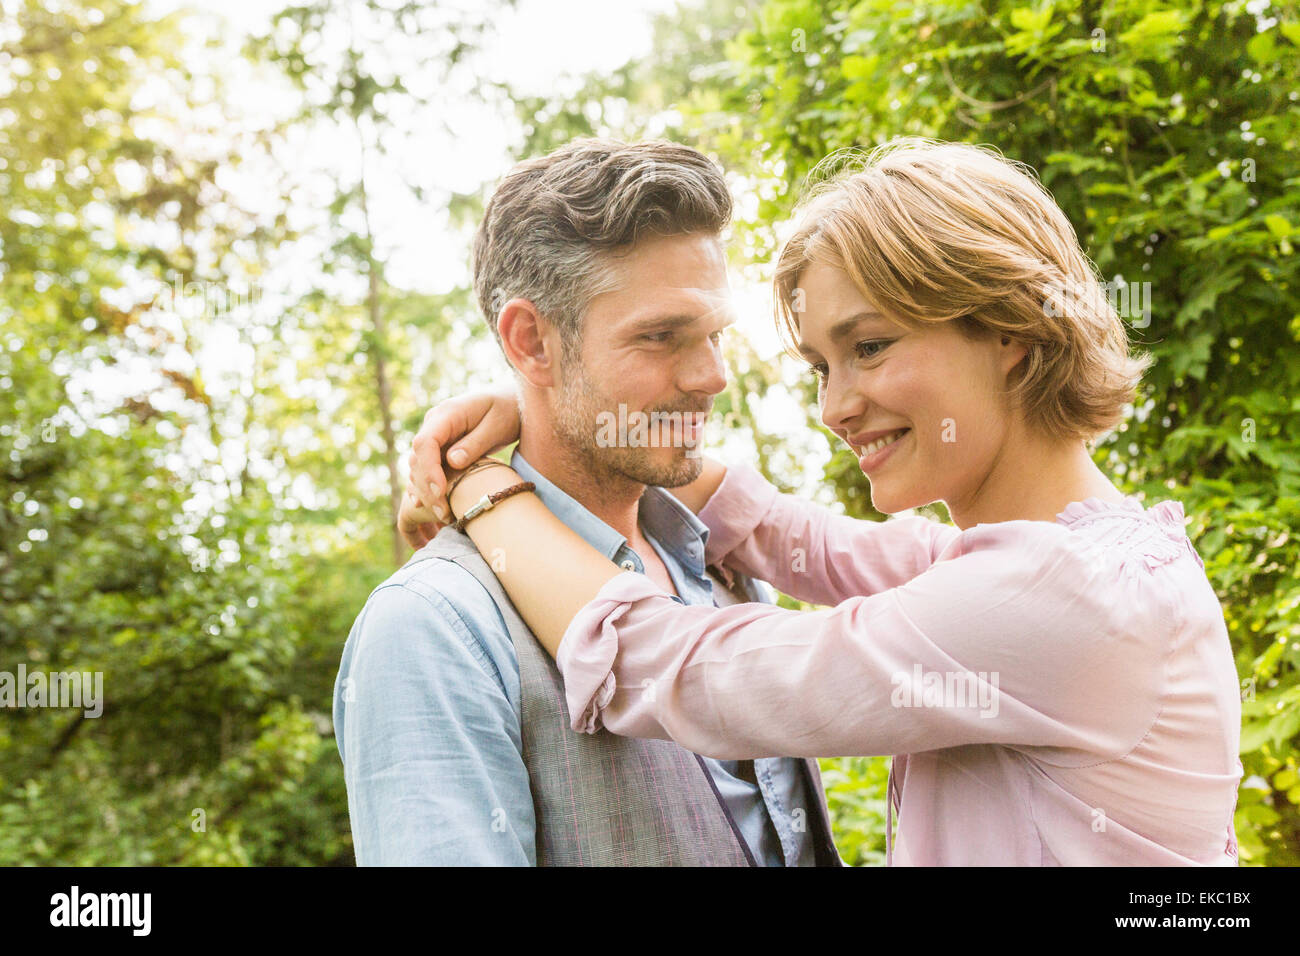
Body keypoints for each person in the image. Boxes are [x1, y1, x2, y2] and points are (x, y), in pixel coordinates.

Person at [401, 138, 1244, 866]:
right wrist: (556, 405)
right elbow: (792, 537)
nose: (834, 406)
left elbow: (678, 671)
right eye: (820, 367)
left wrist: (483, 485)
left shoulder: (1058, 597)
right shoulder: (1077, 553)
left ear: (1010, 333)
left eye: (869, 347)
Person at [334, 138, 840, 866]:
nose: (711, 376)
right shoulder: (432, 630)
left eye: (715, 335)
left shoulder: (726, 567)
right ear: (531, 342)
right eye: (662, 337)